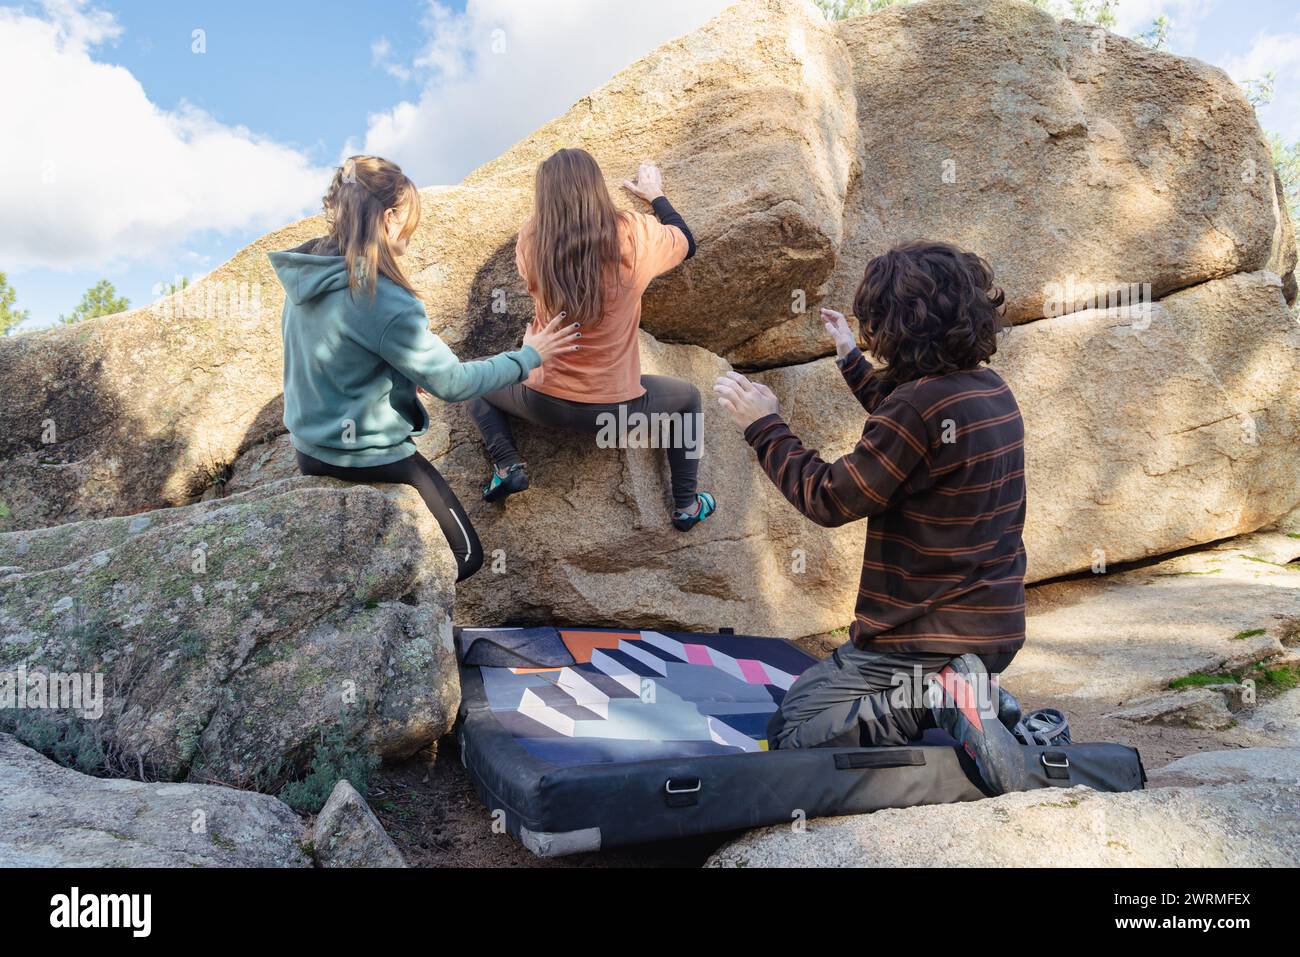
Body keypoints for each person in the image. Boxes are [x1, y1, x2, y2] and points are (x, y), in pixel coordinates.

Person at [713, 241, 1030, 795]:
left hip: (922, 639)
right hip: (993, 630)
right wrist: (848, 359)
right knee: (809, 706)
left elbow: (831, 498)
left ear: (897, 328)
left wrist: (762, 424)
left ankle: (935, 696)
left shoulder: (917, 407)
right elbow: (910, 424)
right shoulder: (986, 391)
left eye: (874, 325)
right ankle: (982, 698)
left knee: (794, 732)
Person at [270, 155, 580, 583]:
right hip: (362, 456)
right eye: (410, 218)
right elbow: (453, 383)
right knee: (466, 556)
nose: (412, 231)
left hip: (308, 451)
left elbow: (334, 355)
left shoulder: (307, 274)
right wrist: (528, 357)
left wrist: (399, 377)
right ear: (390, 216)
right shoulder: (381, 297)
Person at [468, 148, 716, 531]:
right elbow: (687, 242)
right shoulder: (634, 234)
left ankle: (508, 466)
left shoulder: (533, 239)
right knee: (688, 399)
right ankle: (686, 504)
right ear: (597, 186)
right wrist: (656, 197)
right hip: (613, 413)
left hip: (541, 400)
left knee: (476, 379)